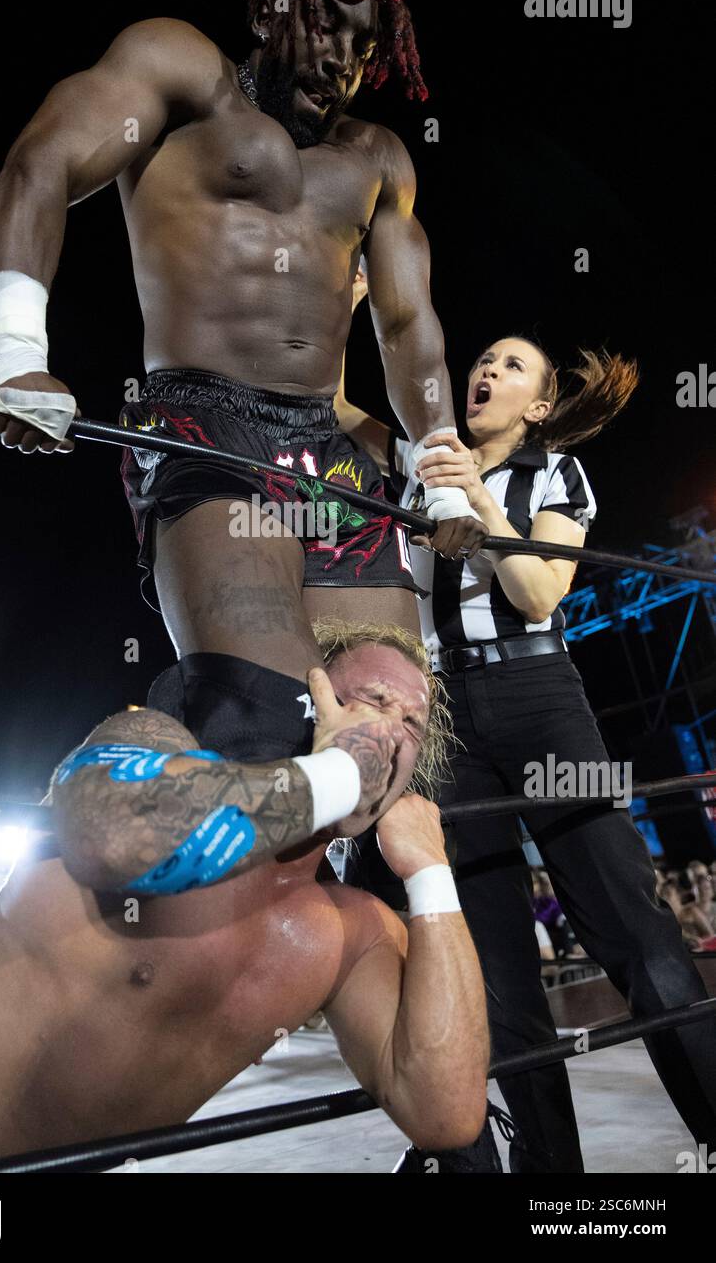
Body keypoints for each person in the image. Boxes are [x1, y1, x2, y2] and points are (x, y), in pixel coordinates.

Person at [0, 0, 487, 779]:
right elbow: (43, 162)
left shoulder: (377, 160)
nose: (345, 63)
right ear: (265, 11)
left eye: (365, 49)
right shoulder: (177, 70)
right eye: (327, 28)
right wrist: (18, 348)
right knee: (269, 715)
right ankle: (142, 846)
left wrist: (439, 465)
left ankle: (379, 905)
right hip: (202, 424)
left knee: (391, 715)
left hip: (330, 450)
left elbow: (406, 326)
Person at [0, 620, 489, 1172]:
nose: (392, 736)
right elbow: (116, 831)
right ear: (306, 697)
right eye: (372, 701)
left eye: (412, 722)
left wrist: (429, 871)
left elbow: (446, 1112)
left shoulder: (352, 932)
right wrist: (340, 771)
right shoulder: (160, 742)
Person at [336, 326, 716, 1170]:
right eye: (481, 360)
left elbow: (538, 592)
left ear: (539, 404)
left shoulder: (554, 472)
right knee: (501, 969)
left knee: (632, 927)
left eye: (510, 366)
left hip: (540, 696)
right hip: (447, 721)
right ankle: (550, 1184)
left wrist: (479, 499)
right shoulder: (423, 462)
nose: (485, 371)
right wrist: (347, 294)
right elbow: (335, 407)